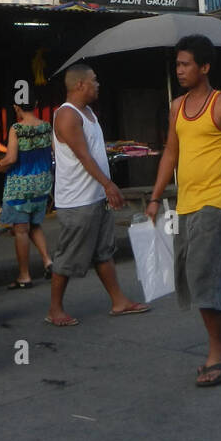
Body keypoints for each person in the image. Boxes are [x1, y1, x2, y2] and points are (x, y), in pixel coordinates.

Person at [146, 35, 221, 388]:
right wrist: (155, 198)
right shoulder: (177, 107)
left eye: (186, 64)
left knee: (201, 274)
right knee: (205, 274)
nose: (180, 70)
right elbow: (171, 153)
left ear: (205, 67)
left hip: (216, 200)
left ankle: (217, 352)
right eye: (177, 64)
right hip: (186, 201)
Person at [47, 63, 149, 326]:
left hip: (95, 196)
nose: (98, 84)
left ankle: (119, 301)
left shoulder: (89, 112)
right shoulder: (67, 115)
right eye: (94, 80)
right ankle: (55, 309)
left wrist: (104, 187)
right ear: (80, 84)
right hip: (77, 200)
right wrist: (108, 184)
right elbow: (84, 156)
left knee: (103, 251)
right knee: (68, 254)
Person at [0, 99, 54, 288]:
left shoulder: (17, 128)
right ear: (36, 104)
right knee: (34, 224)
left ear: (16, 107)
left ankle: (24, 276)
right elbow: (53, 151)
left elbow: (11, 159)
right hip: (42, 182)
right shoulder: (46, 126)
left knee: (21, 230)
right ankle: (48, 261)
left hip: (20, 185)